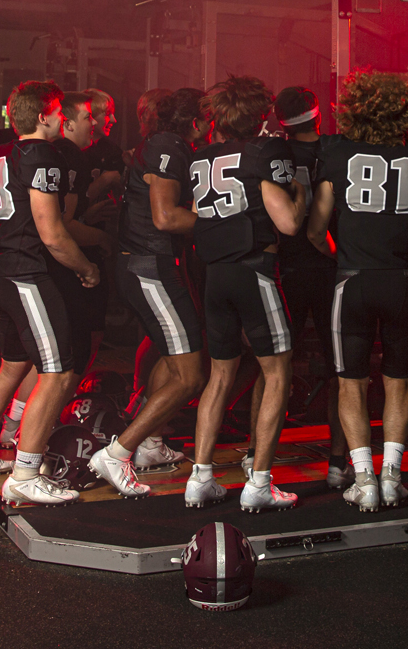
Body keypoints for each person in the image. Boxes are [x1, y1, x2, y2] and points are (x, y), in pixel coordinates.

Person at [0, 81, 100, 506]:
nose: (62, 118)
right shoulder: (42, 154)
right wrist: (86, 267)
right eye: (57, 110)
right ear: (42, 115)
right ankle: (26, 473)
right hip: (24, 272)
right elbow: (52, 232)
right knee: (58, 372)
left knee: (12, 365)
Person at [308, 72, 408, 510]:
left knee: (351, 383)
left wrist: (342, 254)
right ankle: (391, 476)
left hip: (353, 281)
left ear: (355, 110)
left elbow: (315, 230)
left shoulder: (336, 153)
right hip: (403, 281)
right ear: (406, 112)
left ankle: (364, 479)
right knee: (399, 381)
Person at [182, 76, 304, 512]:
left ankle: (200, 478)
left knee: (220, 375)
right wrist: (301, 191)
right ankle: (259, 482)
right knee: (278, 371)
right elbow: (288, 223)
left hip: (215, 275)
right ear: (259, 115)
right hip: (254, 270)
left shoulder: (201, 158)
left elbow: (198, 213)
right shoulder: (263, 151)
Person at [89, 87, 206, 497]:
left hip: (147, 264)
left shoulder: (165, 144)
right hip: (149, 266)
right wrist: (225, 222)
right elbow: (166, 217)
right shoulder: (168, 146)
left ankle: (150, 443)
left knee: (170, 361)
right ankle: (118, 452)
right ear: (195, 122)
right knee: (191, 376)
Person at [266, 85, 348, 483]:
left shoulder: (274, 153)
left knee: (273, 366)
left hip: (289, 266)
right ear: (319, 113)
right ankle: (338, 463)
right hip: (333, 266)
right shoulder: (339, 148)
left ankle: (257, 459)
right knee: (341, 370)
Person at [55, 92, 112, 379]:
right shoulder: (69, 154)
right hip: (62, 265)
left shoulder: (56, 152)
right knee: (73, 349)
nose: (94, 123)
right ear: (67, 123)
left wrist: (86, 216)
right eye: (88, 117)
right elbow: (63, 224)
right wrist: (103, 239)